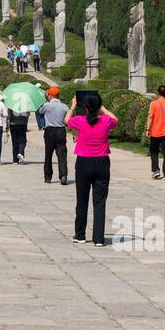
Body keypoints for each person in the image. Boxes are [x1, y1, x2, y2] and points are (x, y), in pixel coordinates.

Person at [65, 90, 118, 246]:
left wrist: (73, 106)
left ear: (85, 107)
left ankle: (80, 235)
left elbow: (66, 120)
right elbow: (115, 118)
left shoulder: (80, 120)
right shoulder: (106, 121)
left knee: (82, 200)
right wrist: (103, 108)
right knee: (99, 202)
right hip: (101, 162)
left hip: (84, 162)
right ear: (99, 105)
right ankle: (98, 238)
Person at [37, 86, 70, 185]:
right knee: (62, 155)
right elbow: (67, 118)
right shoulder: (64, 106)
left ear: (50, 95)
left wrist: (45, 100)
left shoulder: (47, 105)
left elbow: (40, 112)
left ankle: (48, 177)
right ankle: (63, 175)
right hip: (61, 130)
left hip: (50, 131)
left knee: (48, 154)